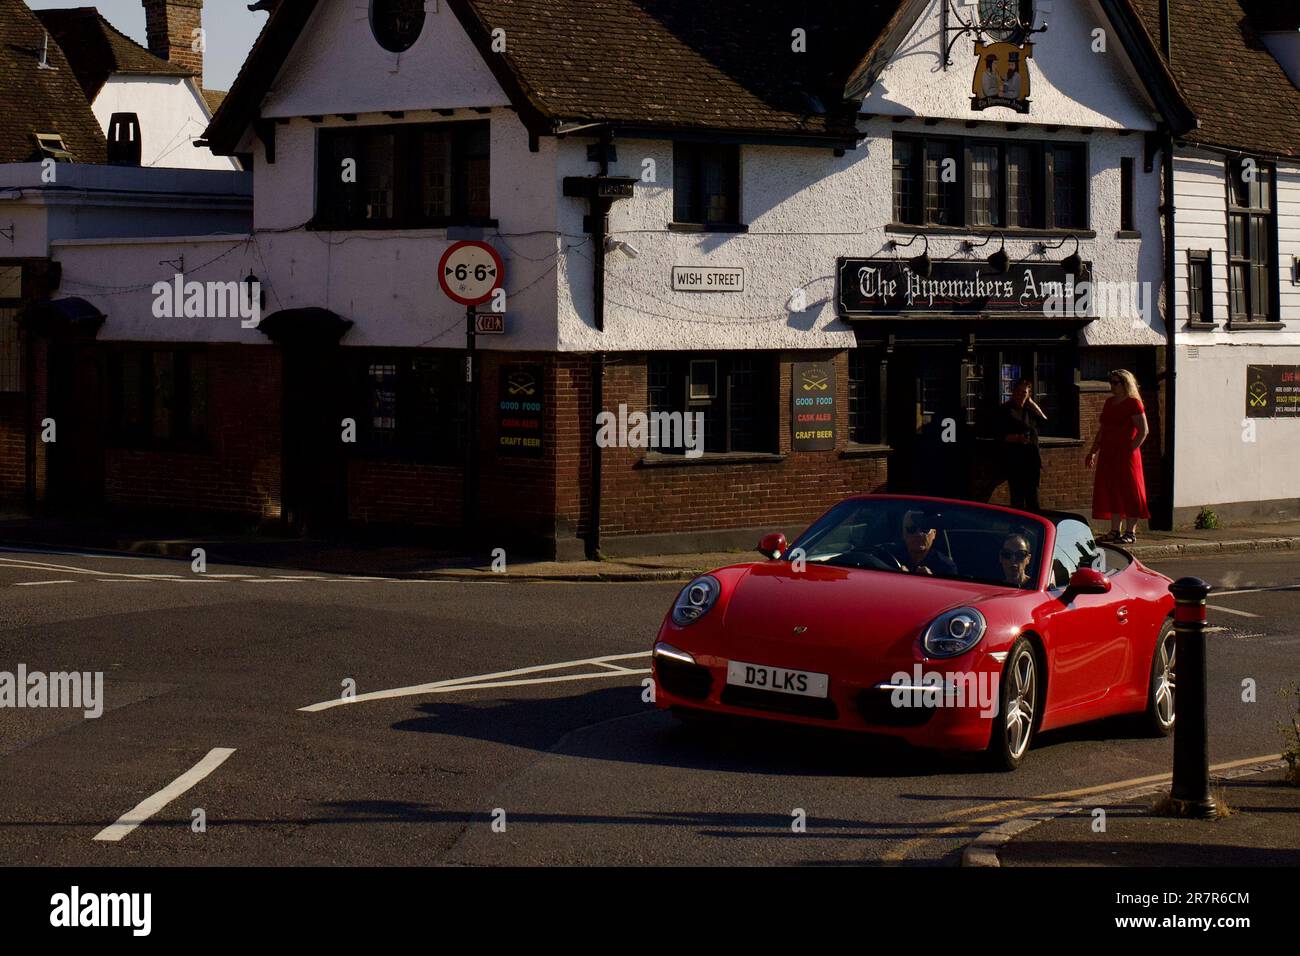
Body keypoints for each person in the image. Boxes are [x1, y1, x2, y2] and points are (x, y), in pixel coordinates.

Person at [1085, 369, 1150, 544]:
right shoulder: (1109, 403)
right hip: (1109, 453)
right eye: (1111, 382)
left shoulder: (1133, 404)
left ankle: (1130, 532)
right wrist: (1093, 451)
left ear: (1125, 383)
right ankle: (1115, 530)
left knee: (1130, 491)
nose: (1112, 386)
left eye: (1115, 383)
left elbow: (1143, 431)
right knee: (1113, 489)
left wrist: (1130, 450)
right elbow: (1103, 430)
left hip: (1127, 455)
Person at [996, 377, 1046, 512]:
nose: (1020, 395)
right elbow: (999, 435)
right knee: (1017, 498)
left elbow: (1045, 422)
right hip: (1016, 460)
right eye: (1018, 392)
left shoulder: (1030, 411)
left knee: (1033, 498)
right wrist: (1017, 438)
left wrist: (1033, 404)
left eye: (1024, 393)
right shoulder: (1006, 410)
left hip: (1031, 459)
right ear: (1013, 392)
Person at [875, 509, 959, 577]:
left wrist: (931, 581)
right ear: (903, 534)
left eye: (925, 529)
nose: (918, 534)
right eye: (911, 529)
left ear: (934, 534)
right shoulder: (885, 556)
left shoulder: (946, 567)